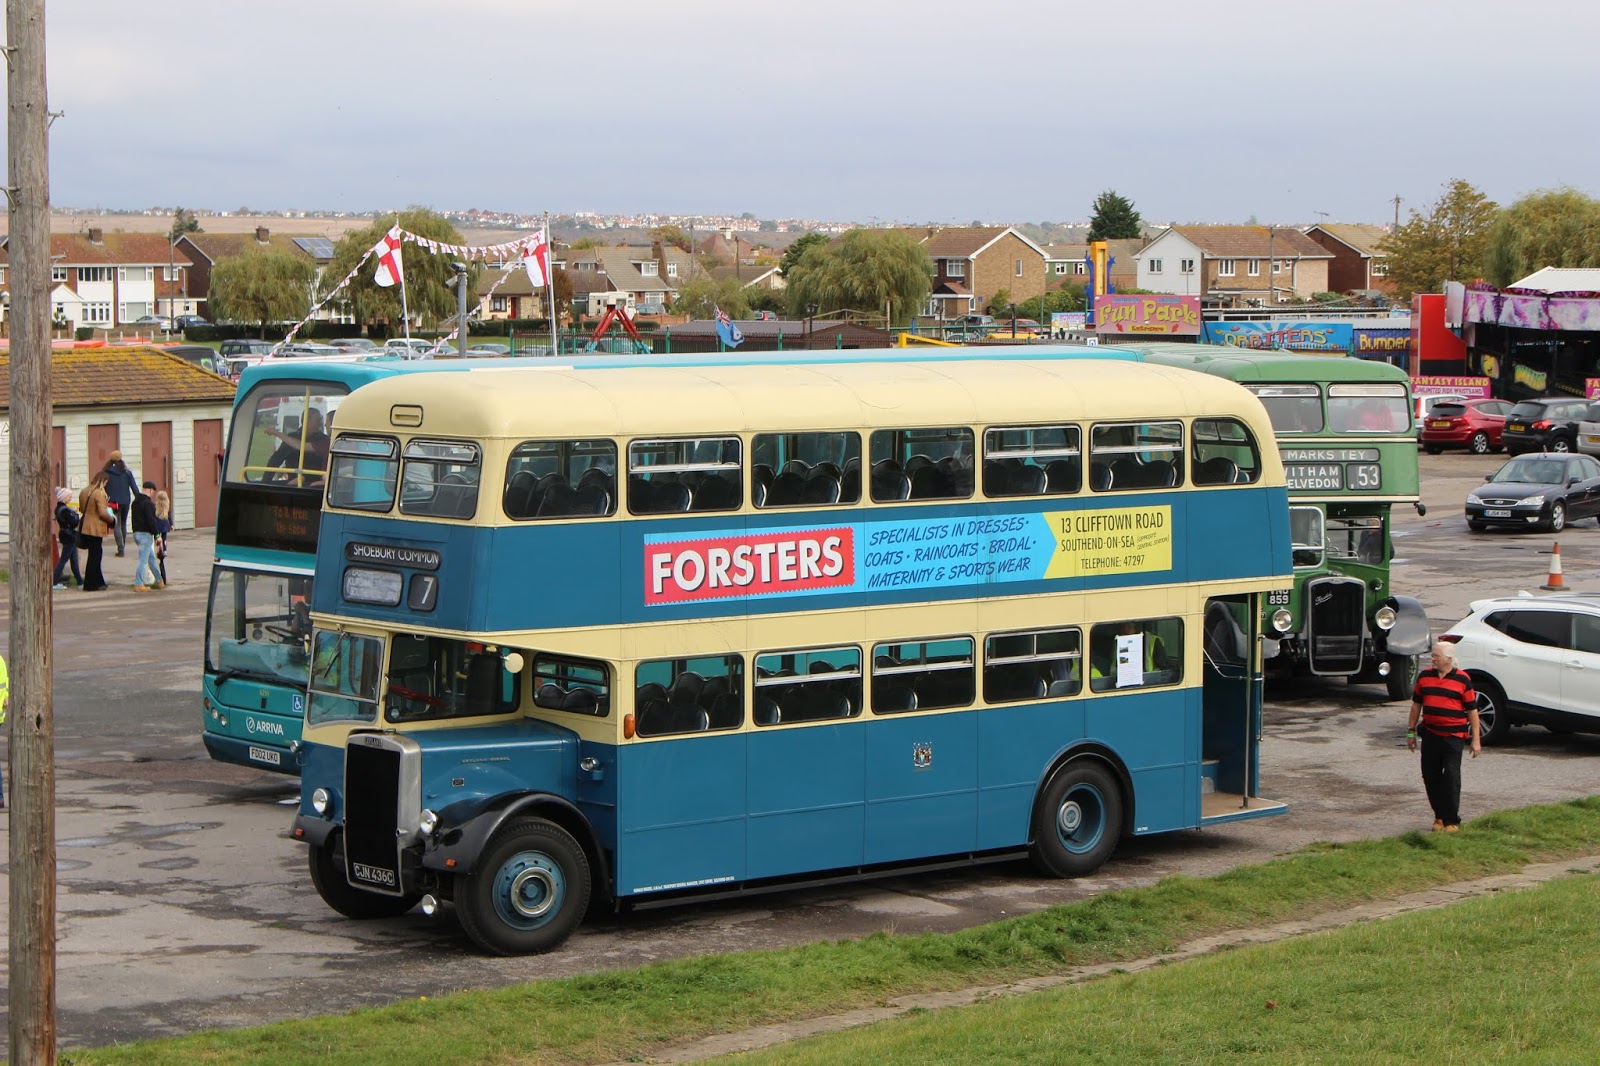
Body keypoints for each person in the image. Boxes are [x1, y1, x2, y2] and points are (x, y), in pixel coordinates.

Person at [1407, 641, 1482, 832]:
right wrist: (1411, 731)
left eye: (1436, 656)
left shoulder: (1463, 680)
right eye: (1433, 656)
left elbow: (1472, 711)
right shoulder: (1424, 677)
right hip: (1431, 735)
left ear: (1448, 659)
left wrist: (1476, 739)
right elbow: (1416, 705)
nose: (1432, 659)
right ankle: (1439, 817)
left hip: (1453, 737)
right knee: (1430, 776)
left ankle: (1451, 820)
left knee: (1450, 777)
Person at [264, 408, 329, 485]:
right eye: (317, 420)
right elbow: (276, 459)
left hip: (315, 485)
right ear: (306, 420)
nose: (320, 423)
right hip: (293, 483)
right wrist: (265, 481)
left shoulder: (323, 440)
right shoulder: (292, 437)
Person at [78, 471, 117, 592]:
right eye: (106, 482)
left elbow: (82, 508)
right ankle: (91, 584)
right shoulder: (99, 493)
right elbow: (103, 512)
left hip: (85, 525)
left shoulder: (85, 491)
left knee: (94, 554)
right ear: (103, 481)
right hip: (95, 527)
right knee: (95, 556)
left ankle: (99, 581)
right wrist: (112, 520)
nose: (106, 485)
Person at [101, 450, 141, 556]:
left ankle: (121, 548)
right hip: (125, 502)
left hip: (112, 502)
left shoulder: (106, 472)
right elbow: (134, 488)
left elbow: (101, 487)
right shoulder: (127, 472)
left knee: (116, 524)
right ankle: (122, 546)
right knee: (123, 523)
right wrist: (140, 499)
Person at [130, 480, 163, 591]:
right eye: (153, 492)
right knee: (143, 561)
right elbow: (151, 521)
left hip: (136, 533)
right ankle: (138, 584)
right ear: (150, 490)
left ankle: (159, 580)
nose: (153, 494)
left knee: (151, 559)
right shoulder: (148, 504)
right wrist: (157, 535)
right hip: (145, 534)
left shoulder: (135, 502)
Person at [52, 487, 84, 589]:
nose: (70, 498)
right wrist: (77, 515)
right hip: (69, 535)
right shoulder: (65, 510)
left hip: (66, 534)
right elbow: (73, 522)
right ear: (63, 497)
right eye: (69, 496)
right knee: (64, 559)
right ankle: (54, 581)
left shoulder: (60, 508)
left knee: (74, 559)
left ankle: (79, 580)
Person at [154, 489, 172, 587]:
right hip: (164, 526)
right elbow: (169, 517)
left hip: (158, 525)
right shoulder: (166, 507)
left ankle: (158, 549)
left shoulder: (155, 507)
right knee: (164, 539)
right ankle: (164, 549)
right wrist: (171, 525)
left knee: (158, 538)